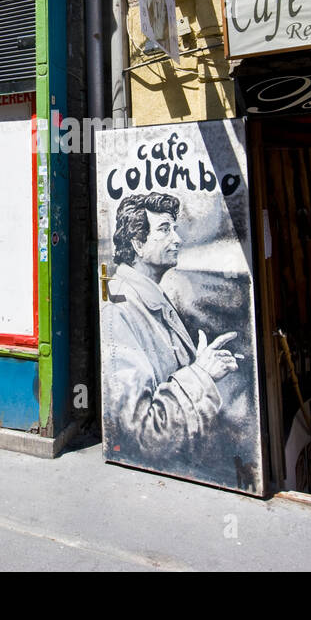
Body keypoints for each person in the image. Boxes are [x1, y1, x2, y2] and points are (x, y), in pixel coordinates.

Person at [101, 192, 239, 462]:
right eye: (164, 229)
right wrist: (200, 374)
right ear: (138, 244)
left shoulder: (149, 296)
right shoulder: (119, 309)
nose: (177, 239)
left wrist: (197, 364)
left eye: (174, 228)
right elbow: (141, 435)